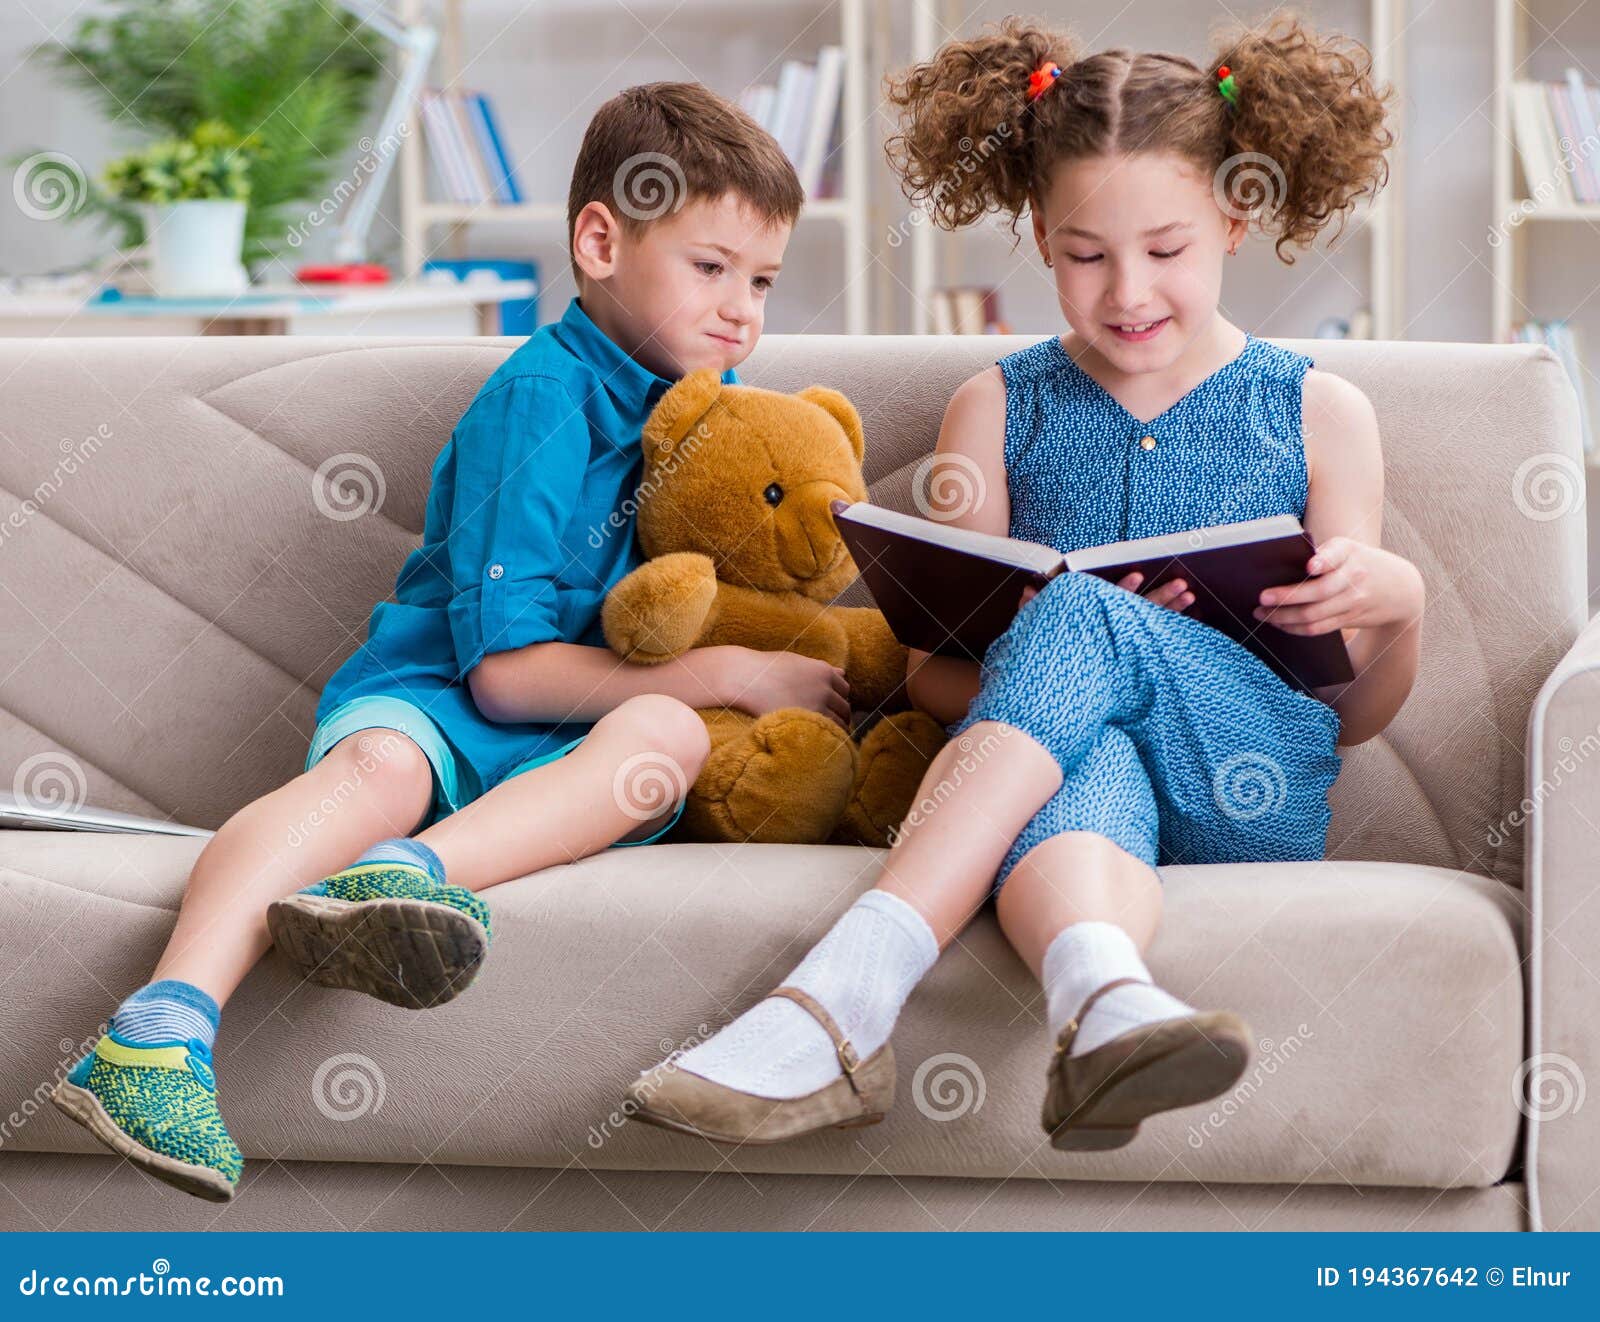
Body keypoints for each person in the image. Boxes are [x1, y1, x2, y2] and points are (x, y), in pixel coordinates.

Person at [625, 13, 1424, 1151]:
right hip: (1063, 795)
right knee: (1079, 732)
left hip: (1245, 779)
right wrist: (1075, 664)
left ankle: (849, 987)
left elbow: (1346, 717)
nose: (1127, 289)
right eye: (1086, 255)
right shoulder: (996, 408)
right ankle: (1105, 1003)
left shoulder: (1317, 411)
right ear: (1041, 235)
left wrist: (1401, 607)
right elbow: (937, 680)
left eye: (1166, 248)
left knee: (1083, 619)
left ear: (1234, 218)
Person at [50, 82, 837, 1202]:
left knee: (666, 732)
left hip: (573, 736)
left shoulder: (713, 416)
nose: (740, 310)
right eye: (710, 269)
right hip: (446, 694)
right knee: (376, 770)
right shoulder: (544, 398)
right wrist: (729, 670)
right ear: (601, 241)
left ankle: (407, 880)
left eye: (761, 281)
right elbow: (508, 678)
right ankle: (161, 1027)